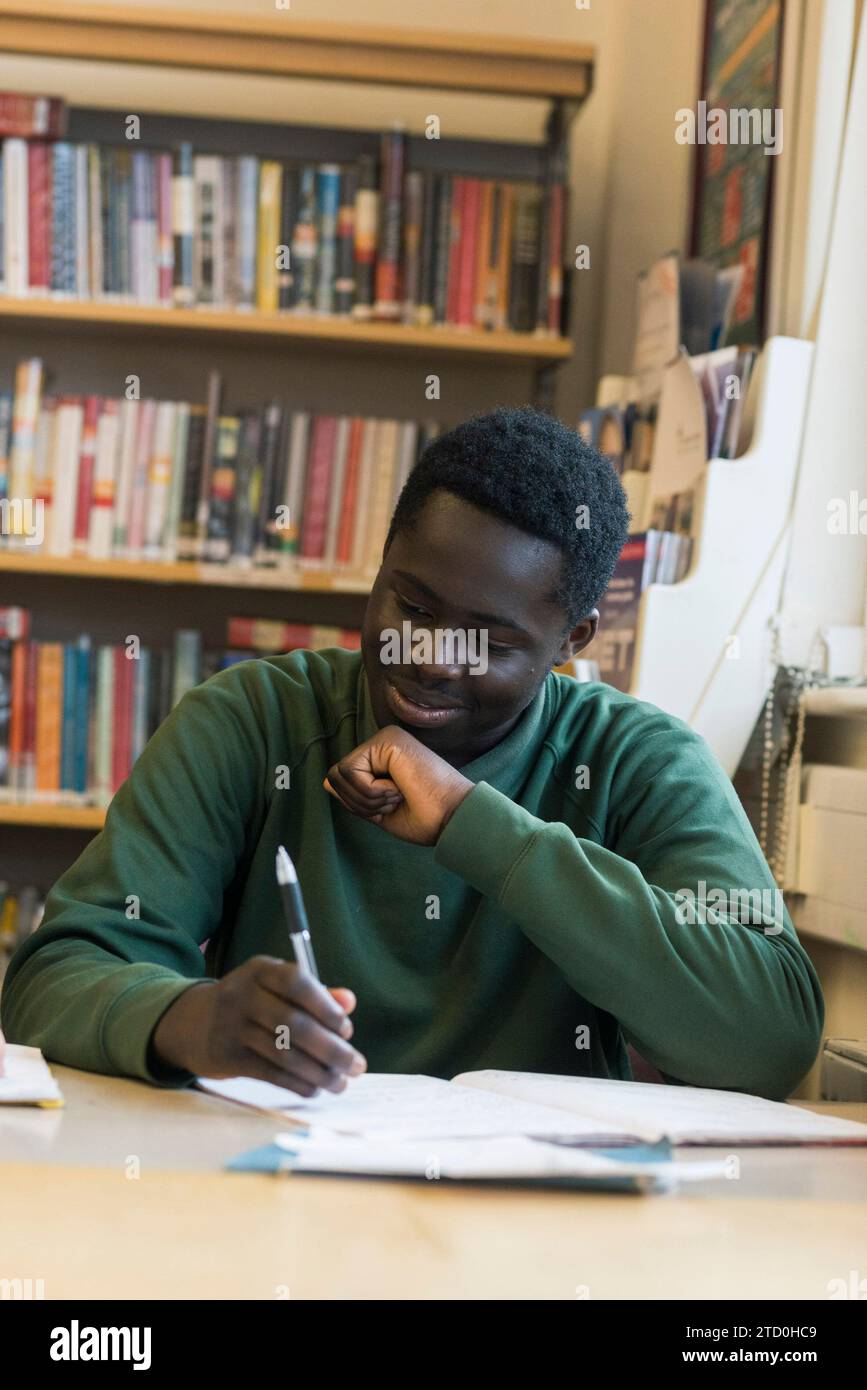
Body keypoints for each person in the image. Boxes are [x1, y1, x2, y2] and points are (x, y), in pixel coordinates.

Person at [1, 408, 823, 1100]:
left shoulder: (638, 763)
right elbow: (52, 979)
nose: (432, 657)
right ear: (380, 568)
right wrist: (190, 1020)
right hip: (267, 1196)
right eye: (413, 605)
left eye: (491, 643)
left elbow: (769, 1041)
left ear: (569, 641)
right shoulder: (251, 722)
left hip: (534, 1229)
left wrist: (476, 824)